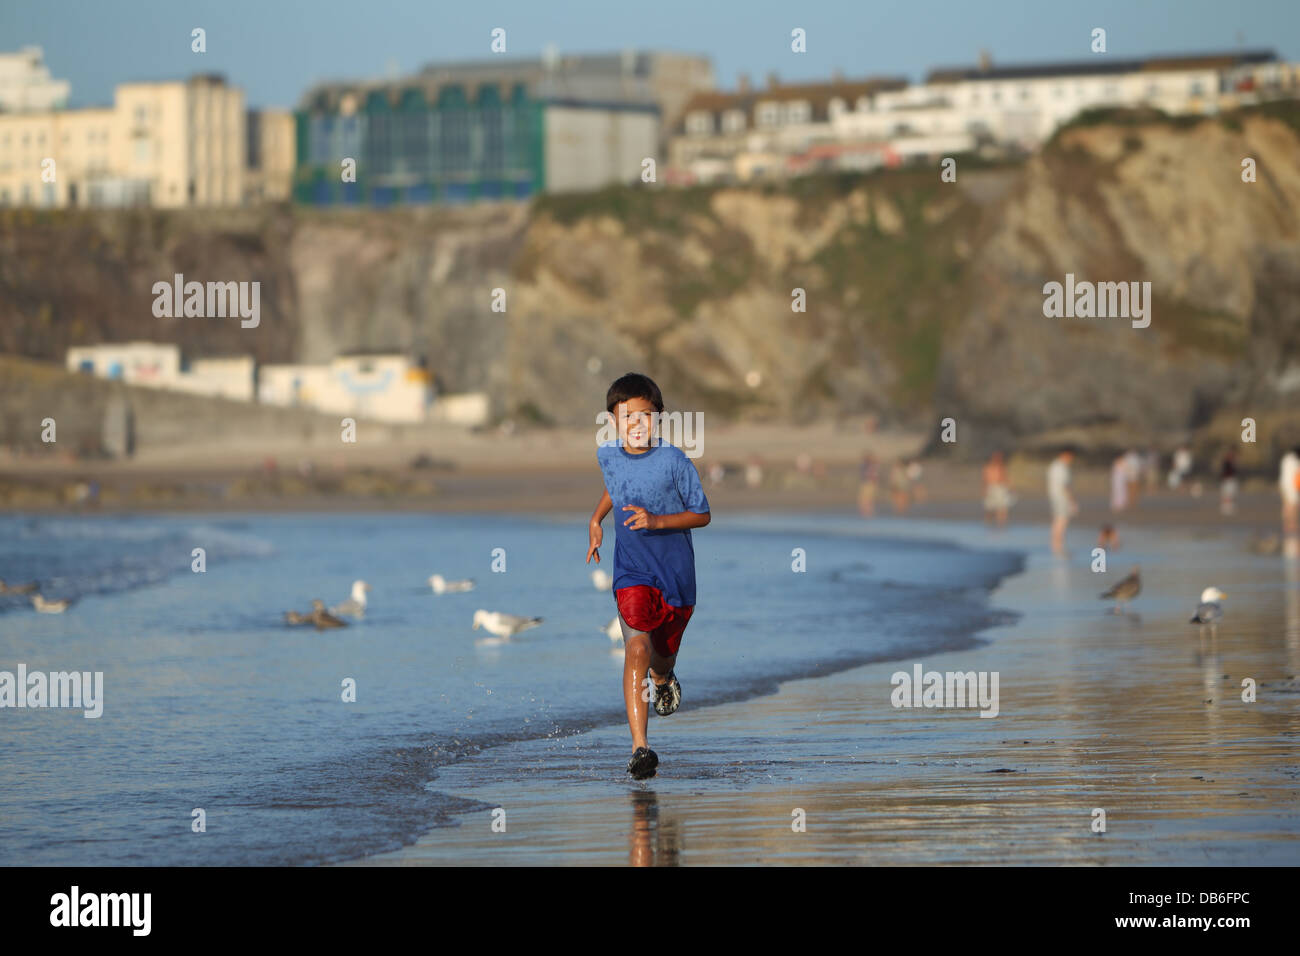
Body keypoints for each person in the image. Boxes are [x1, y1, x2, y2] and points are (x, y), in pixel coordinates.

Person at [587, 373, 711, 780]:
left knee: (660, 657)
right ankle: (640, 747)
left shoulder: (675, 460)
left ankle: (663, 677)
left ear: (659, 418)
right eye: (627, 416)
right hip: (631, 572)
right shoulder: (608, 455)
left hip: (676, 578)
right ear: (612, 421)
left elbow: (702, 514)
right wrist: (596, 519)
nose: (636, 424)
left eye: (645, 415)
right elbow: (616, 485)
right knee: (636, 649)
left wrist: (657, 521)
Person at [1047, 448, 1077, 556]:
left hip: (1055, 495)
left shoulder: (1055, 465)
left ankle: (1055, 545)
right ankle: (1058, 546)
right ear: (1065, 455)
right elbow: (1064, 485)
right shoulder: (1060, 467)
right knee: (1062, 520)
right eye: (1070, 457)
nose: (1071, 460)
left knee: (1057, 520)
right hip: (1061, 497)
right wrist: (1072, 500)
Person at [983, 450, 1012, 527]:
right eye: (997, 457)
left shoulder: (1001, 467)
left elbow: (1005, 478)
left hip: (1000, 488)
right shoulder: (989, 467)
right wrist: (985, 490)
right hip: (992, 488)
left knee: (1002, 508)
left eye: (999, 457)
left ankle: (1001, 525)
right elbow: (986, 479)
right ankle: (988, 524)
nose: (999, 459)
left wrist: (1008, 487)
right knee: (990, 508)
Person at [1280, 447, 1300, 537]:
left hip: (1283, 484)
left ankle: (1286, 524)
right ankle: (1292, 524)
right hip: (1292, 486)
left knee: (1286, 505)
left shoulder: (1286, 459)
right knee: (1293, 506)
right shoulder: (1295, 461)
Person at [858, 453, 879, 518]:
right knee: (865, 498)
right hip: (866, 483)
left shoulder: (870, 465)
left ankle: (867, 512)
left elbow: (873, 475)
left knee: (867, 499)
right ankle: (866, 512)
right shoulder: (865, 465)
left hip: (869, 483)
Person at [1220, 448, 1239, 516]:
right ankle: (1226, 508)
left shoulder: (1232, 463)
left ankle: (1230, 507)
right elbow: (1225, 472)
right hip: (1227, 480)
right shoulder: (1226, 463)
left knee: (1231, 494)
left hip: (1231, 480)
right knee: (1227, 494)